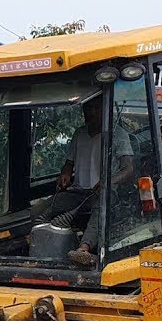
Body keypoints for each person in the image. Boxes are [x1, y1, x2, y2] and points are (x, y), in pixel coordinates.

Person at [31, 96, 133, 267]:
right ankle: (33, 239)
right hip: (77, 192)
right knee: (42, 208)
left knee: (101, 208)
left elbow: (128, 169)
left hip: (104, 192)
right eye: (87, 108)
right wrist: (65, 175)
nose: (90, 112)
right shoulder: (79, 134)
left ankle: (83, 250)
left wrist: (108, 182)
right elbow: (68, 164)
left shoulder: (118, 135)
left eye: (95, 108)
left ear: (105, 109)